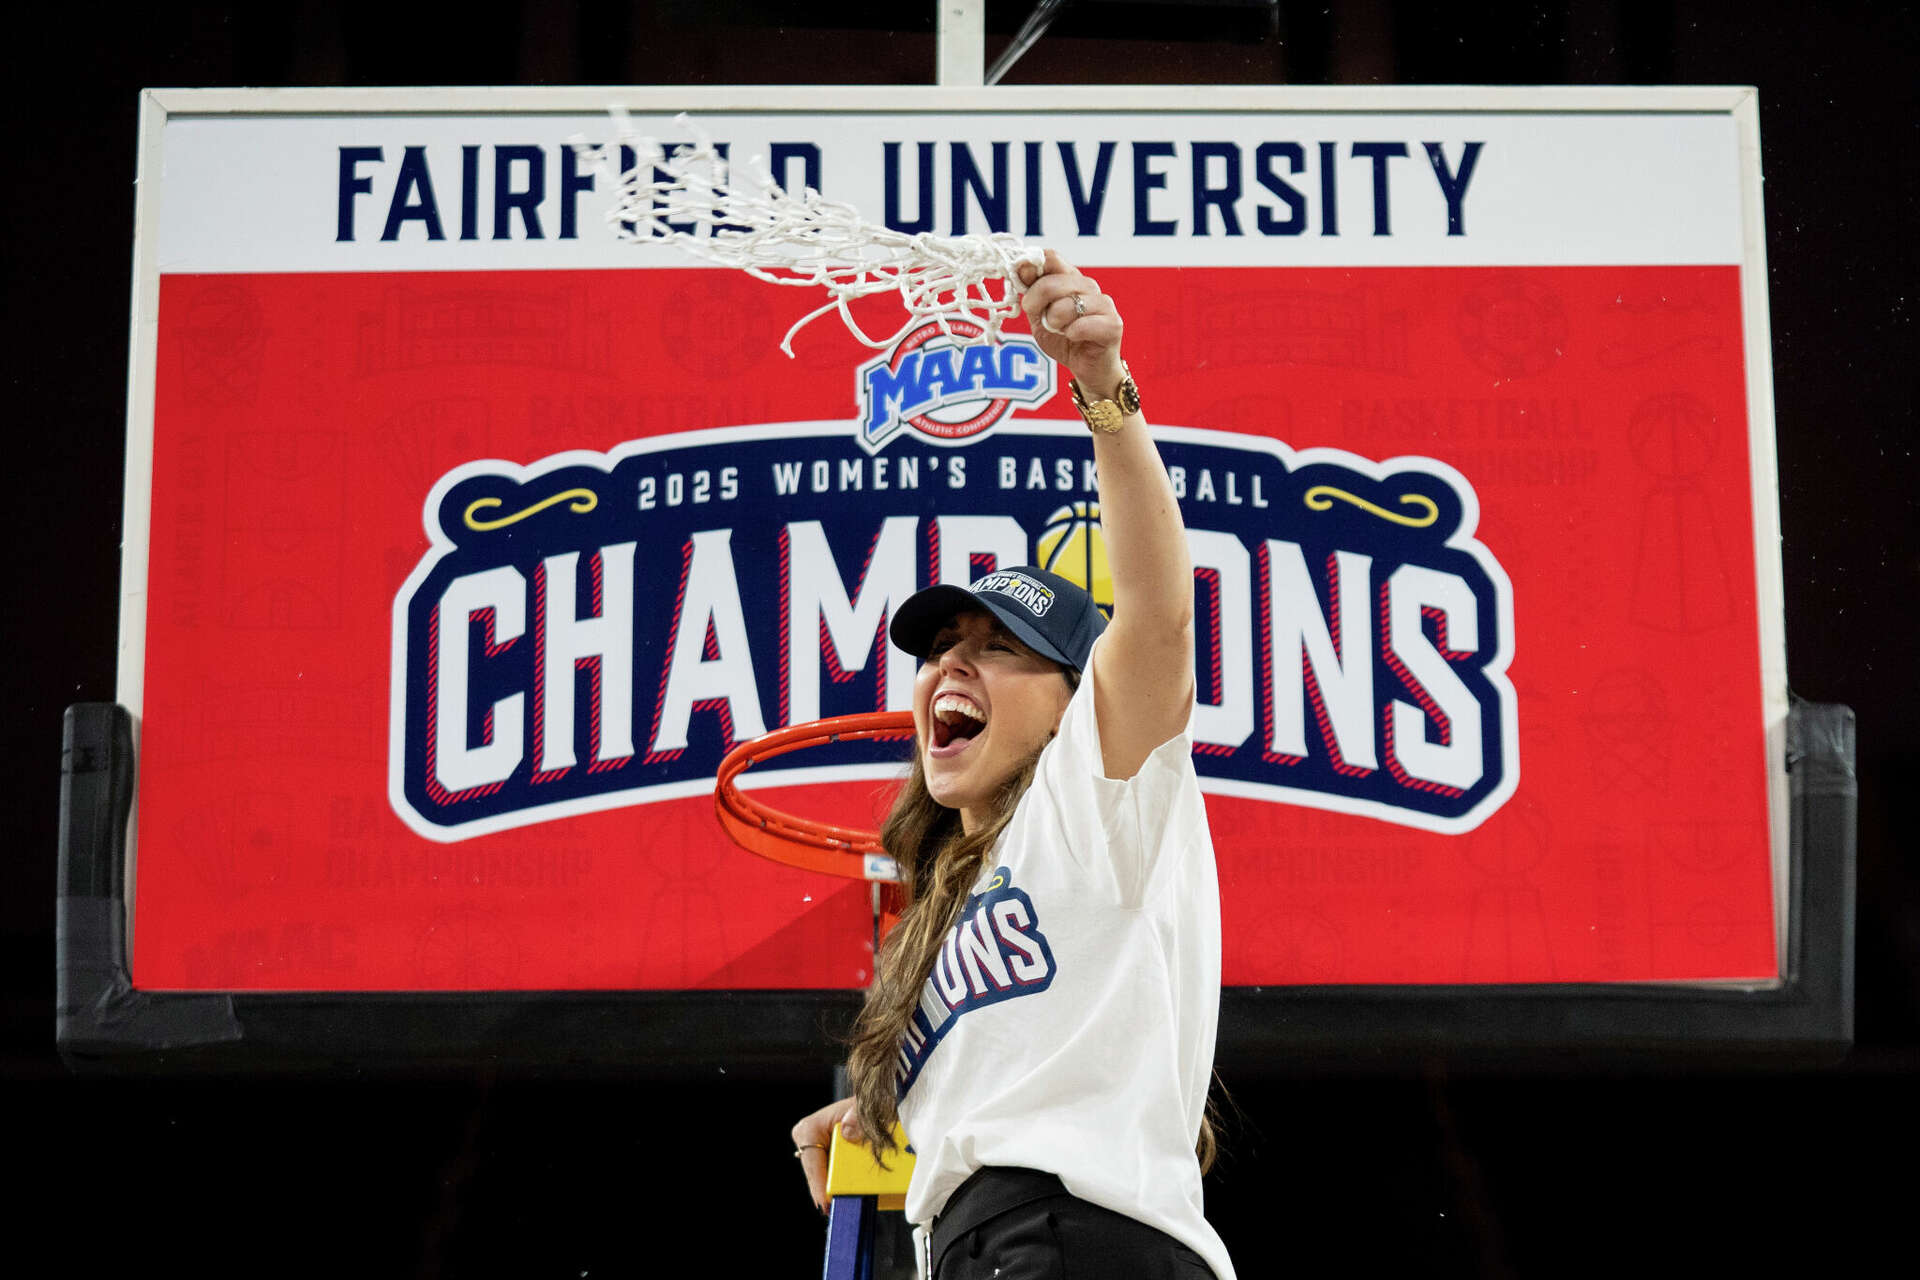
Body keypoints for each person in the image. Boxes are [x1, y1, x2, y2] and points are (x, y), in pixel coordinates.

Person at [790, 253, 1233, 1280]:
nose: (951, 660)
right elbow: (1023, 1068)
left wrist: (1102, 391)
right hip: (995, 1245)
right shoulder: (974, 897)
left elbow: (1159, 610)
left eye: (998, 645)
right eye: (942, 644)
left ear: (1076, 703)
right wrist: (891, 1108)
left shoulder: (1094, 794)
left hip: (1074, 1242)